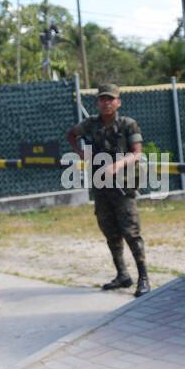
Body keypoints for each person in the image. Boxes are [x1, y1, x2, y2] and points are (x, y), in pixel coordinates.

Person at [65, 84, 151, 297]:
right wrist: (82, 153)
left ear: (118, 102)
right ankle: (122, 275)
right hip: (101, 186)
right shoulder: (90, 124)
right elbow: (71, 135)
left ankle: (144, 278)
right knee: (110, 231)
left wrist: (118, 165)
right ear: (97, 103)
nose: (106, 103)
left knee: (131, 232)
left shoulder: (127, 124)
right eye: (102, 99)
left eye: (110, 99)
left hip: (123, 185)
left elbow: (137, 153)